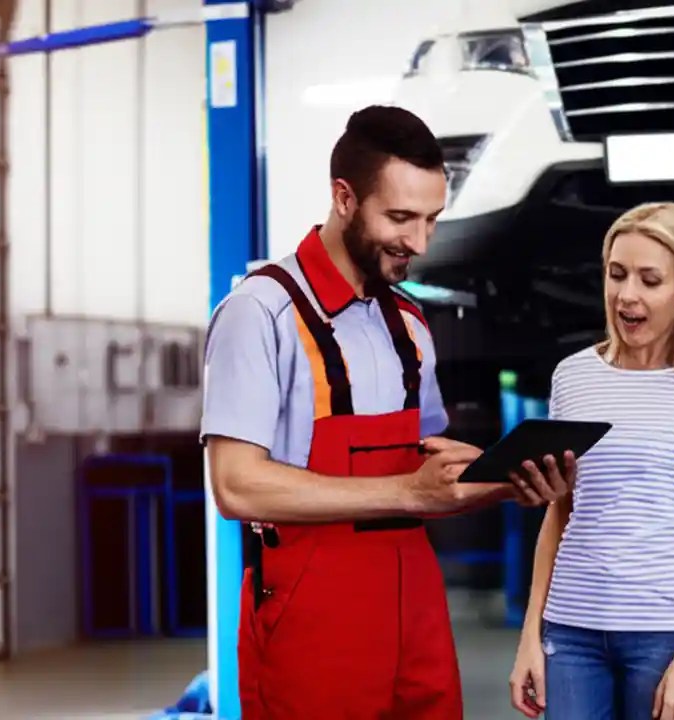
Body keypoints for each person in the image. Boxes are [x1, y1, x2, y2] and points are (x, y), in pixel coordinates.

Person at [200, 105, 577, 719]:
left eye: (432, 219)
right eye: (400, 217)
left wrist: (509, 482)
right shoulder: (259, 312)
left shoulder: (409, 321)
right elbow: (236, 486)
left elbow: (428, 477)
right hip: (310, 607)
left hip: (415, 600)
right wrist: (412, 492)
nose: (420, 242)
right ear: (344, 197)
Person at [508, 202, 674, 720]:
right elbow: (560, 515)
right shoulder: (574, 377)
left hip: (668, 635)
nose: (628, 295)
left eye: (651, 280)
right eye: (617, 274)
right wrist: (531, 634)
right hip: (572, 634)